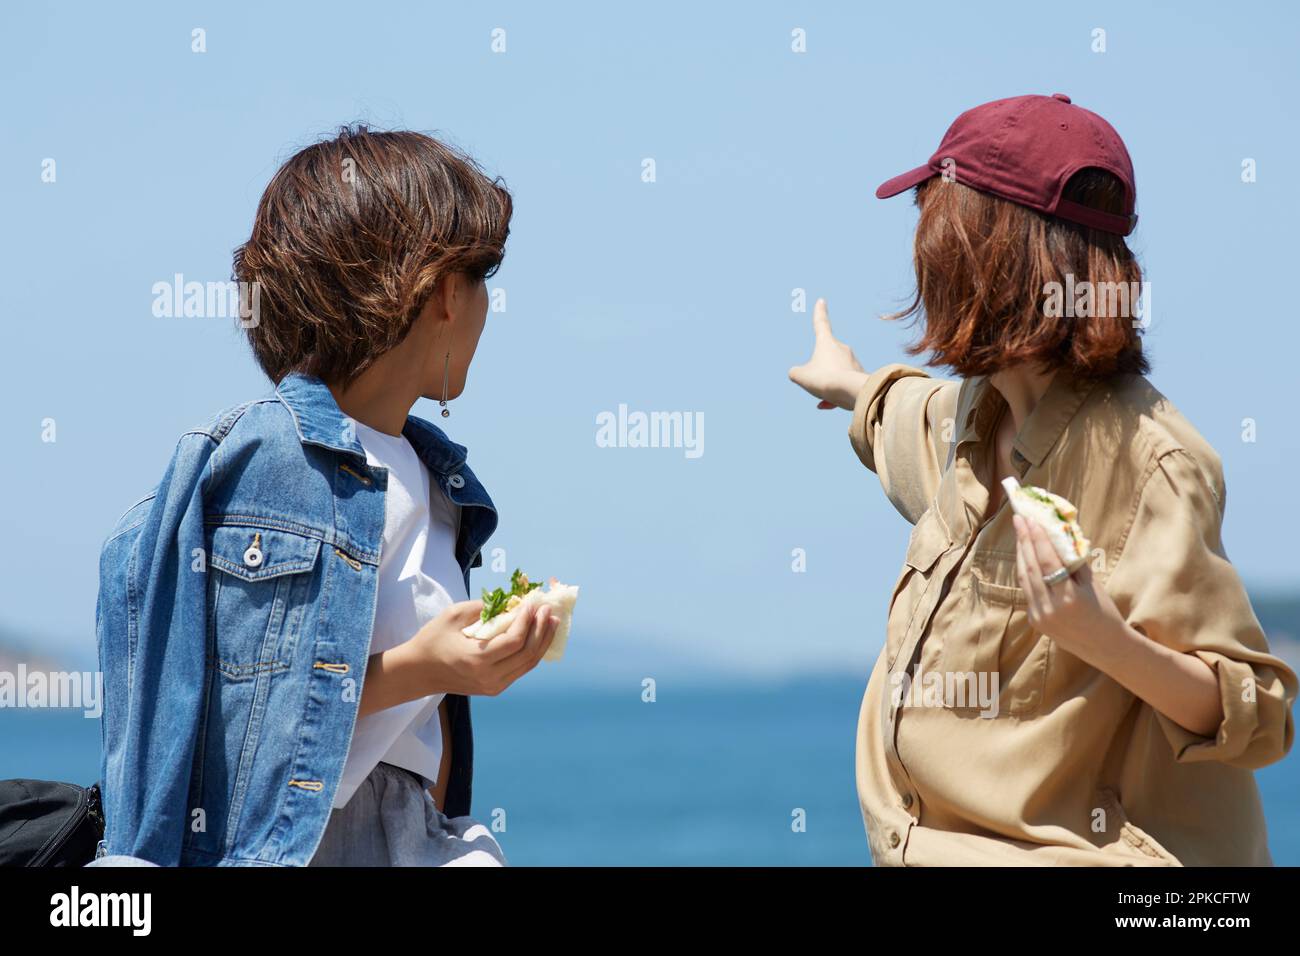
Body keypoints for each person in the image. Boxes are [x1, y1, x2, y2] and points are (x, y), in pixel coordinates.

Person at [788, 93, 1296, 866]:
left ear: (984, 256)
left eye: (935, 227)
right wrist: (848, 384)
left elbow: (1254, 716)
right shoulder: (974, 415)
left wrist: (1097, 635)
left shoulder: (1151, 459)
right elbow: (904, 415)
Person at [91, 125, 556, 867]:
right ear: (441, 292)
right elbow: (224, 720)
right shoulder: (262, 458)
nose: (485, 311)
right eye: (482, 283)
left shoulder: (440, 482)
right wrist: (427, 667)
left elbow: (409, 751)